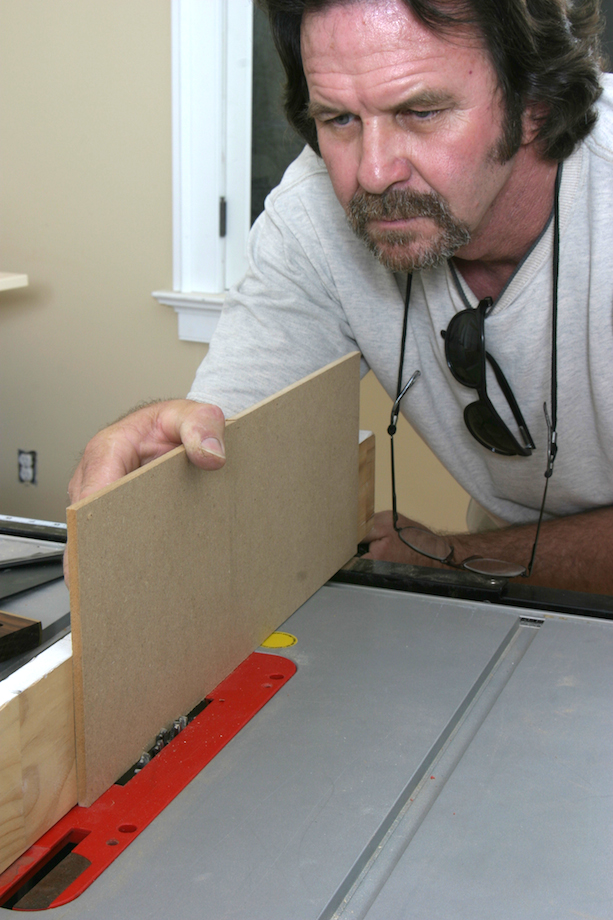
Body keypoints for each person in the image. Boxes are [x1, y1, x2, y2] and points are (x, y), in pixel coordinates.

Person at [69, 0, 613, 594]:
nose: (373, 174)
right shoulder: (312, 210)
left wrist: (457, 556)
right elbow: (229, 437)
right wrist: (161, 462)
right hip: (509, 568)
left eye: (421, 111)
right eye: (339, 120)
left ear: (536, 102)